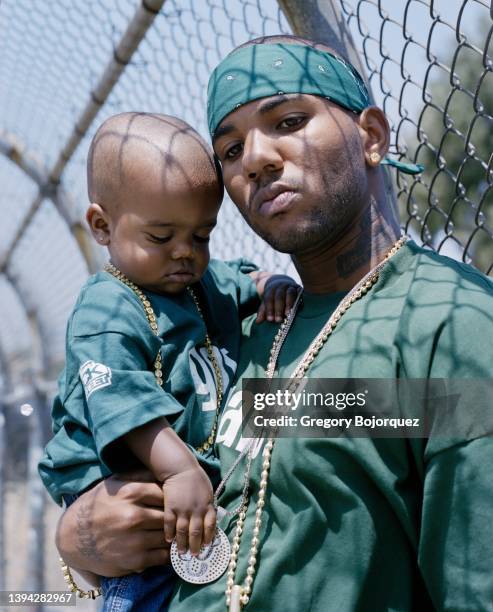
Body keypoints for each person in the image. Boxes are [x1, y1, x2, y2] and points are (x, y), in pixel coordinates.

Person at [55, 37, 493, 611]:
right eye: (230, 150)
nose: (256, 158)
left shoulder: (445, 323)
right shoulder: (248, 327)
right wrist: (81, 538)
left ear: (371, 137)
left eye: (289, 120)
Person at [38, 111, 298, 611]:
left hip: (187, 510)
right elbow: (122, 400)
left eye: (201, 236)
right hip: (137, 504)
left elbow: (249, 278)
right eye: (162, 238)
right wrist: (179, 471)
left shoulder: (206, 285)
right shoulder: (108, 308)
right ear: (102, 225)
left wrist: (276, 286)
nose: (185, 254)